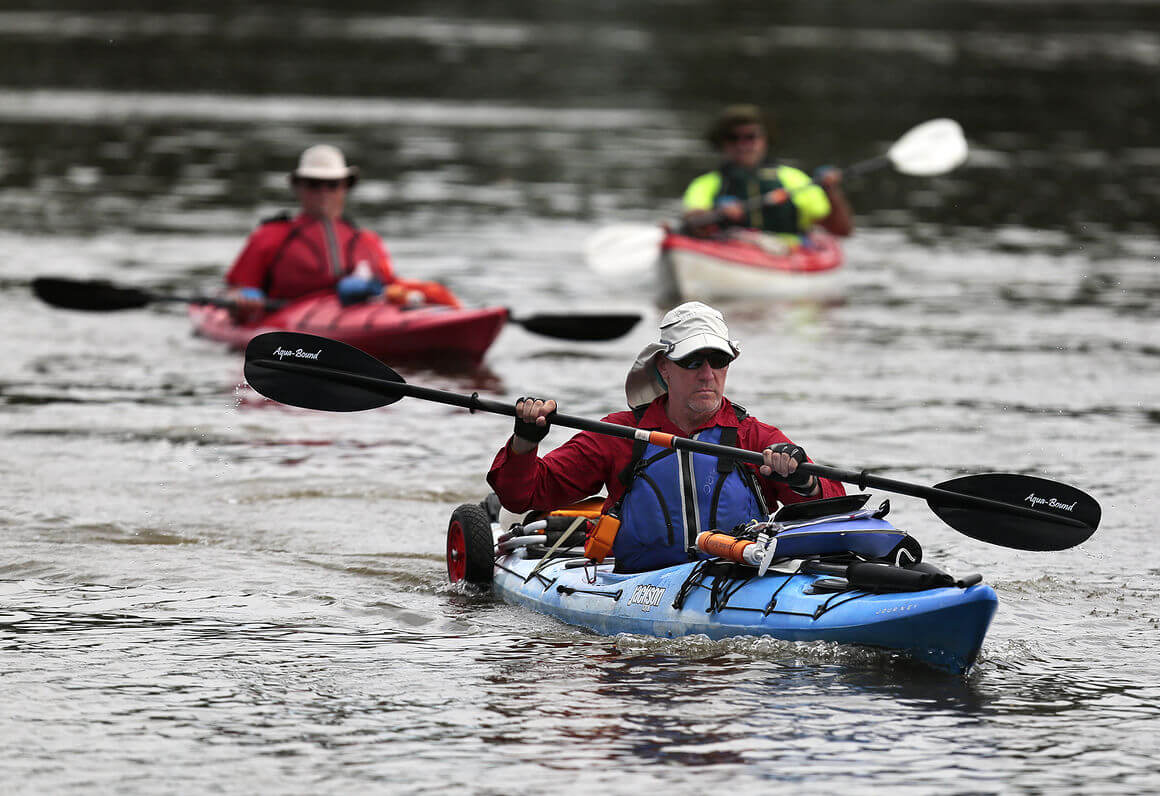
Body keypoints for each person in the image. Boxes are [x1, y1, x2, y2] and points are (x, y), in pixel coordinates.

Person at [487, 301, 845, 573]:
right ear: (664, 368)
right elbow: (522, 495)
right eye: (692, 361)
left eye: (718, 360)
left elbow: (833, 514)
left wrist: (804, 482)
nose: (707, 374)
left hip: (739, 581)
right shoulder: (620, 434)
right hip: (640, 585)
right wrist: (526, 441)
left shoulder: (756, 438)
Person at [224, 144, 458, 321]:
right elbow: (234, 290)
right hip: (289, 317)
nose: (324, 192)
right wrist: (242, 299)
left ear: (345, 187)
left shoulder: (367, 241)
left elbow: (390, 286)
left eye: (333, 184)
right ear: (299, 187)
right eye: (314, 184)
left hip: (358, 315)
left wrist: (433, 294)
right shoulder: (270, 236)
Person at [681, 105, 854, 245]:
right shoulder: (705, 184)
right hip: (731, 247)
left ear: (764, 140)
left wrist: (831, 191)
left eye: (750, 137)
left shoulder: (794, 180)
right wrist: (716, 212)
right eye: (733, 138)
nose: (742, 145)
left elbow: (841, 231)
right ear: (722, 143)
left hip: (786, 250)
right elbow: (692, 217)